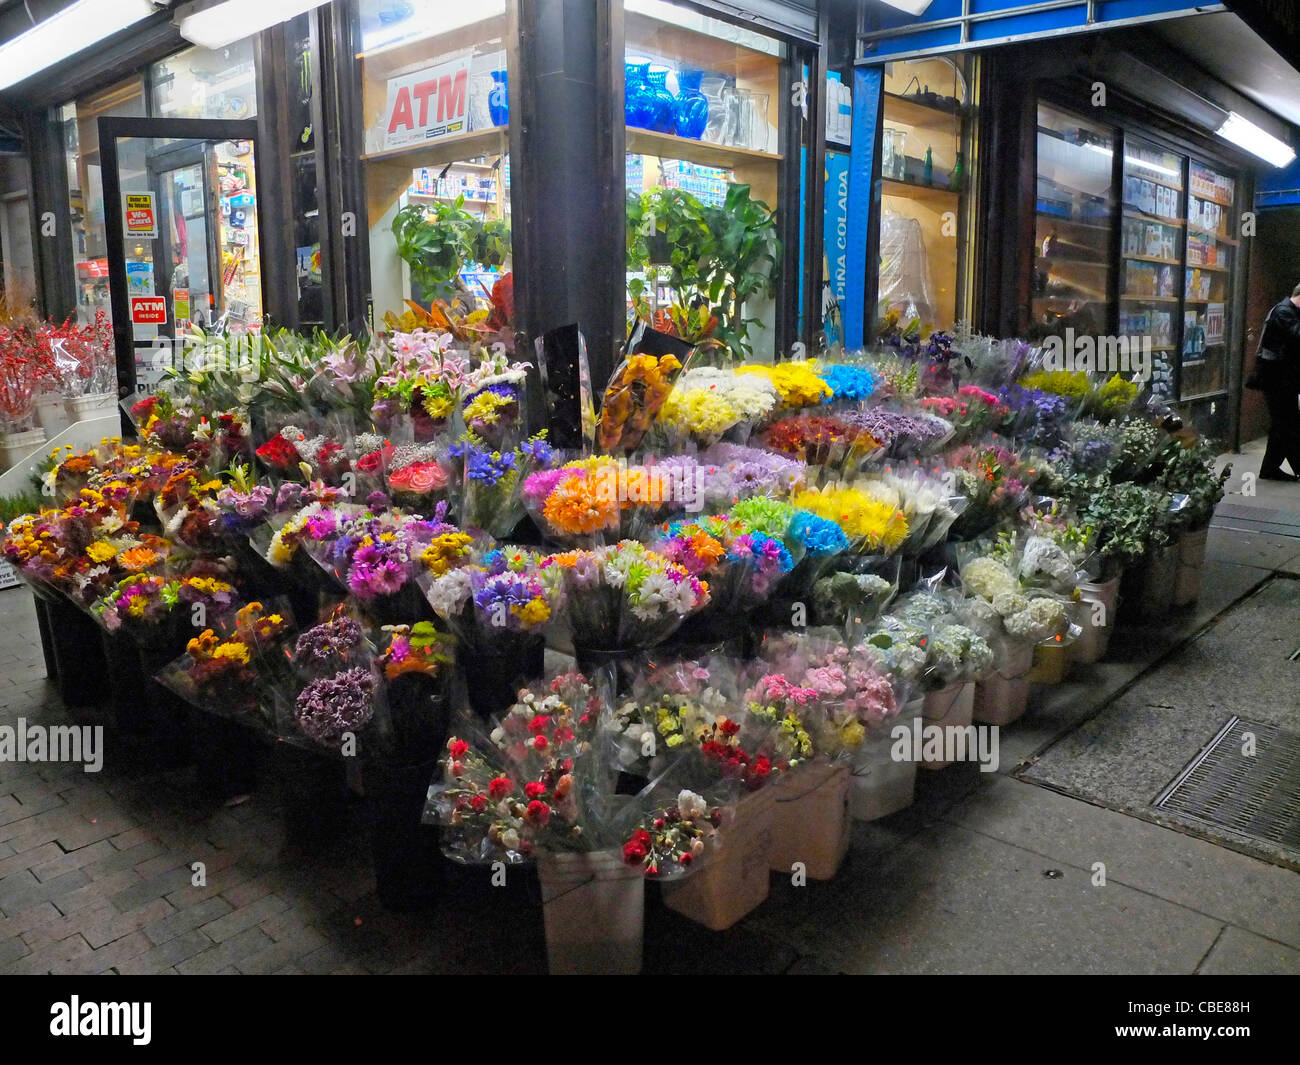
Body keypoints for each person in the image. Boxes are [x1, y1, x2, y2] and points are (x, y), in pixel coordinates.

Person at [1256, 283, 1300, 482]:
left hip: (1282, 378)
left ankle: (1270, 468)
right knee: (1287, 423)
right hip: (1276, 378)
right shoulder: (1283, 312)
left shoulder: (1288, 312)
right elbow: (1296, 337)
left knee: (1282, 424)